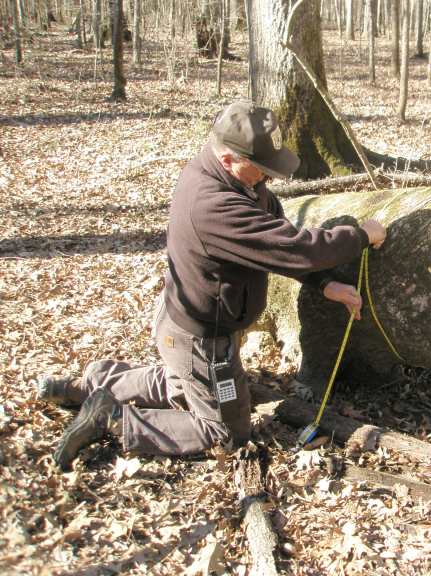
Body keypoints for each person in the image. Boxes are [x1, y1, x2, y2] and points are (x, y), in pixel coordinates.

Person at [40, 101, 386, 470]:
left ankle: (89, 385)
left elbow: (273, 236)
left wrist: (323, 282)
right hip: (202, 338)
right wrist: (361, 236)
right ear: (229, 158)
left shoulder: (236, 180)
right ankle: (113, 419)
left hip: (186, 325)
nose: (269, 176)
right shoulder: (214, 204)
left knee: (178, 382)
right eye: (262, 167)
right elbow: (295, 248)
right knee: (225, 434)